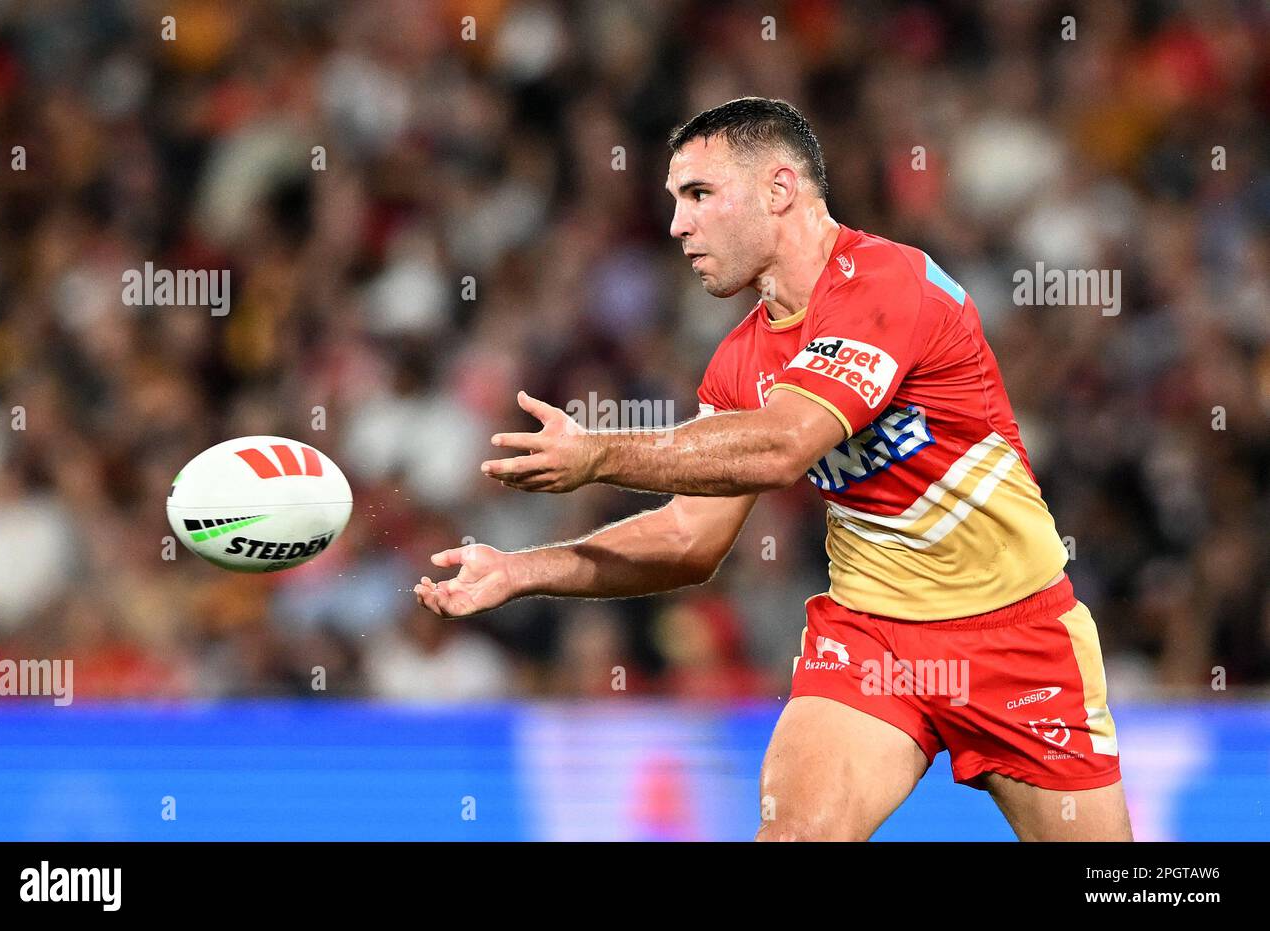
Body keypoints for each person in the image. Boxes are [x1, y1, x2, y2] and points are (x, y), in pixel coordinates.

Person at [414, 97, 1132, 841]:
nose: (676, 225)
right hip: (871, 640)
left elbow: (786, 443)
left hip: (1019, 638)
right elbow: (690, 541)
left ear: (779, 190)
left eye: (698, 195)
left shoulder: (888, 282)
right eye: (673, 202)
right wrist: (520, 569)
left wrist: (599, 452)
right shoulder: (739, 363)